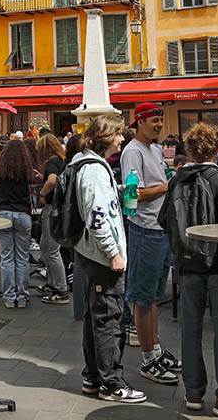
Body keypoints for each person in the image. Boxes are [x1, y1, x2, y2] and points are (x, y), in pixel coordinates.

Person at [169, 122, 218, 417]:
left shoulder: (178, 180)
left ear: (189, 149)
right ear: (216, 148)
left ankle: (193, 393)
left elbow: (167, 219)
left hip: (188, 264)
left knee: (191, 329)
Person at [72, 115, 145, 404]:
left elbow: (97, 203)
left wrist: (118, 191)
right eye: (118, 135)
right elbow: (97, 216)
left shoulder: (88, 164)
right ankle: (112, 383)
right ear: (106, 137)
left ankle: (93, 377)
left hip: (92, 254)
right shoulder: (93, 170)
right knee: (109, 319)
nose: (121, 139)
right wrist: (113, 253)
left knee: (96, 317)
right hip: (102, 257)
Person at [119, 102, 179, 385]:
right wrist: (168, 186)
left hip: (160, 228)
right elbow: (135, 194)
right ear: (139, 122)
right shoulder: (132, 152)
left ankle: (154, 348)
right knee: (143, 298)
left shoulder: (155, 149)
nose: (158, 125)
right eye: (153, 120)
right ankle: (146, 358)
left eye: (160, 120)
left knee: (154, 296)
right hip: (145, 229)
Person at [0, 139, 34, 309]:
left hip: (3, 214)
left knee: (7, 257)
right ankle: (22, 296)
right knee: (22, 257)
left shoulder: (0, 169)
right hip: (23, 214)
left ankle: (9, 297)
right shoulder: (27, 170)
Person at [36, 133, 70, 304]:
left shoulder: (52, 162)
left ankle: (61, 289)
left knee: (51, 250)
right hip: (60, 209)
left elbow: (52, 180)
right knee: (45, 246)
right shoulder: (62, 160)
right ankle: (52, 283)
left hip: (52, 209)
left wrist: (42, 194)